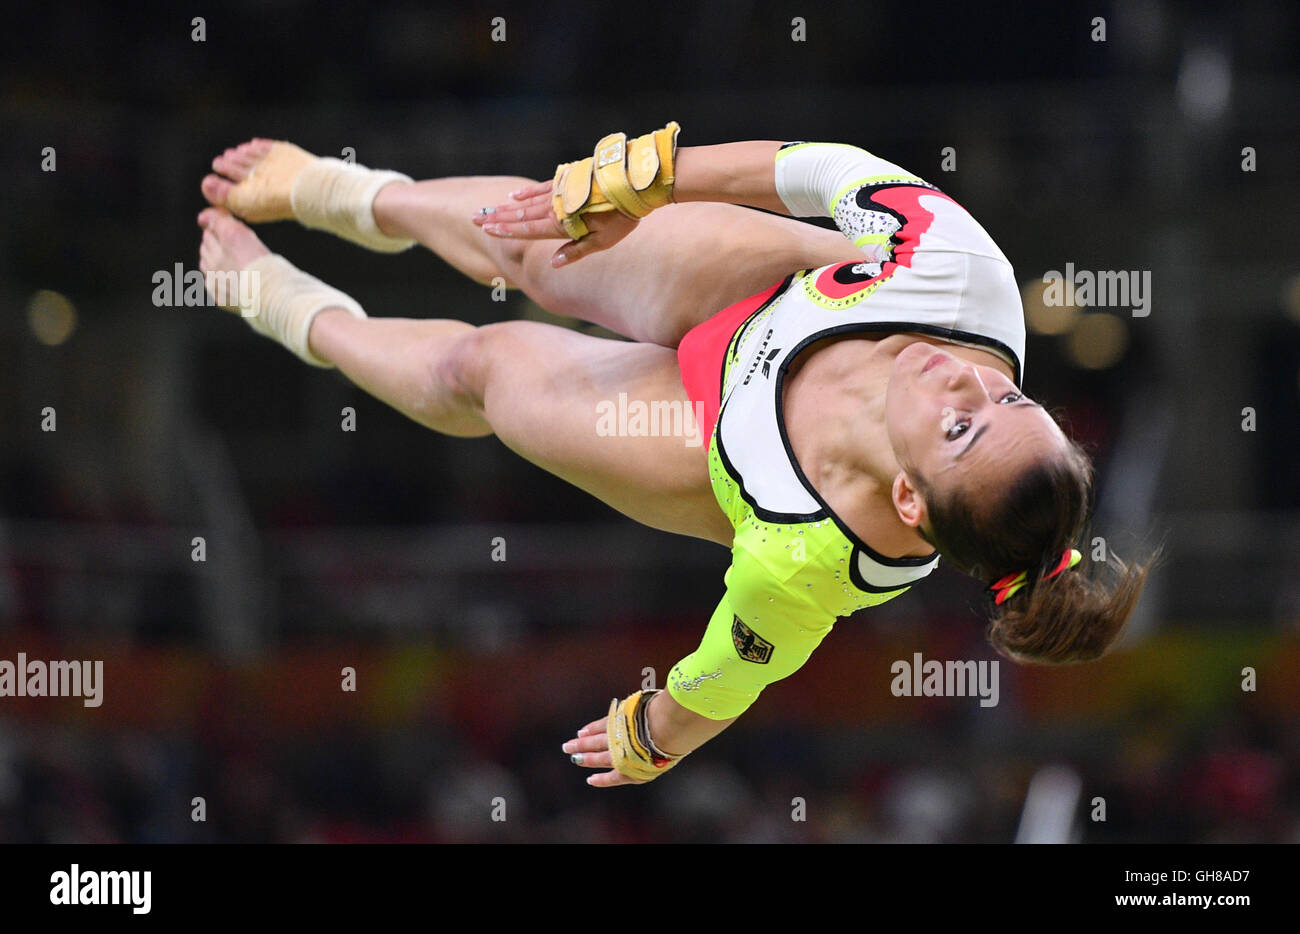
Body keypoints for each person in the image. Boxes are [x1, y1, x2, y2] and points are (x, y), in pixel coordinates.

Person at [195, 124, 1154, 788]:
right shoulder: (964, 281)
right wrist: (645, 179)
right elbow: (817, 171)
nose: (965, 382)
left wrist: (653, 737)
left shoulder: (802, 561)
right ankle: (348, 191)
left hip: (709, 446)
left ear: (906, 499)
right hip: (787, 286)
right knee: (542, 242)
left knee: (482, 367)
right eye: (1013, 392)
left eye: (962, 428)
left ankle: (288, 310)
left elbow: (722, 681)